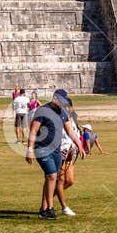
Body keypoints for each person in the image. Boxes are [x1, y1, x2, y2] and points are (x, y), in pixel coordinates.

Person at [26, 88, 83, 219]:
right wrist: (29, 149)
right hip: (42, 149)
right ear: (55, 99)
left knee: (51, 178)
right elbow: (34, 131)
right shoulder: (43, 111)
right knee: (52, 175)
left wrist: (79, 145)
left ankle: (43, 209)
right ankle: (50, 209)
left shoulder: (63, 113)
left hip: (56, 150)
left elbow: (70, 131)